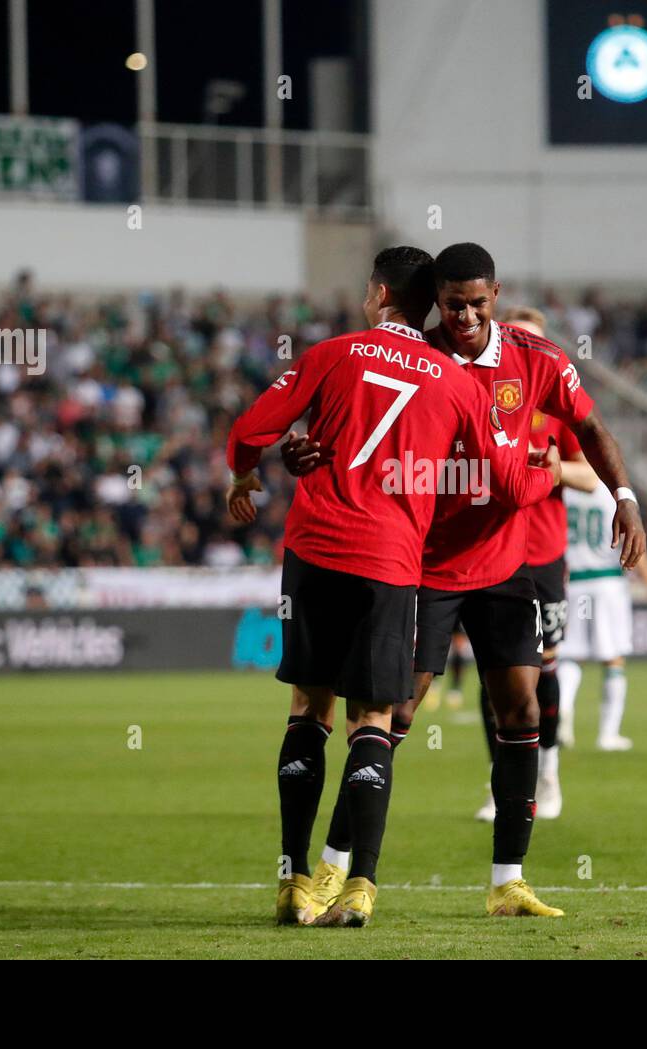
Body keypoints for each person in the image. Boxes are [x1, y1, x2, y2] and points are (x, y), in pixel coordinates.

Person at [291, 243, 646, 918]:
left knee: (523, 711)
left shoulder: (535, 360)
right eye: (453, 304)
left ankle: (507, 880)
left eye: (478, 303)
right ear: (437, 301)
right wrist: (304, 454)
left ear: (495, 294)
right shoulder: (411, 360)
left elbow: (591, 427)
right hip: (424, 568)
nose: (466, 316)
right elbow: (354, 440)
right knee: (391, 717)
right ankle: (334, 868)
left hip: (508, 566)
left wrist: (625, 498)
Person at [226, 246, 559, 927]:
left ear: (378, 293)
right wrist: (545, 472)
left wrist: (245, 473)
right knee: (373, 721)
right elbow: (508, 481)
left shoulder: (333, 354)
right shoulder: (457, 382)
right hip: (391, 562)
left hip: (315, 549)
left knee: (307, 709)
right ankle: (360, 888)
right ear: (429, 302)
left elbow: (249, 430)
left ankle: (294, 879)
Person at [473, 306, 599, 823]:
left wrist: (553, 471)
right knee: (493, 676)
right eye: (520, 341)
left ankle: (547, 774)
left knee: (544, 665)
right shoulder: (480, 395)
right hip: (487, 553)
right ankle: (501, 780)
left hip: (542, 555)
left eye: (540, 344)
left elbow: (591, 476)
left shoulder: (555, 406)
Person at [557, 483, 647, 750]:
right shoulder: (614, 491)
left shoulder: (565, 487)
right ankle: (608, 734)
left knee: (570, 654)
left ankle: (562, 711)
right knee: (613, 659)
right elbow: (633, 541)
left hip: (572, 582)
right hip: (606, 584)